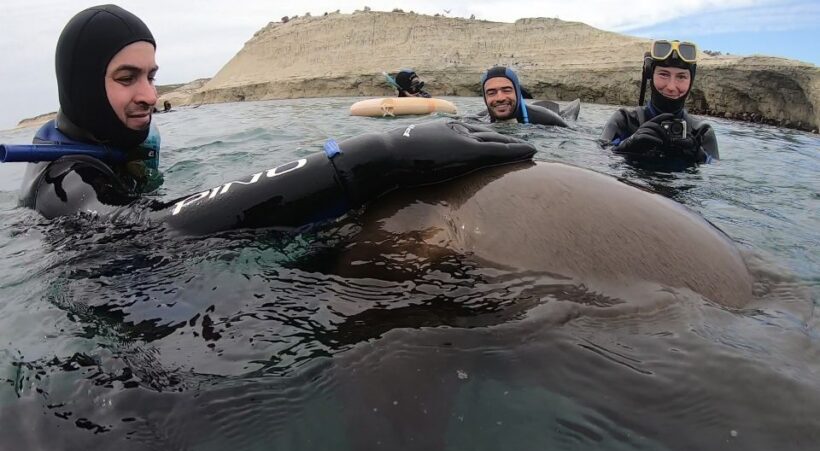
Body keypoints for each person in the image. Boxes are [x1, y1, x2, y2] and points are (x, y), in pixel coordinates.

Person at [16, 5, 536, 236]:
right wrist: (379, 156)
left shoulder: (104, 146)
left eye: (152, 75)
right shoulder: (65, 180)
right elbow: (145, 235)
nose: (150, 95)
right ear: (83, 85)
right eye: (126, 77)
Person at [599, 40, 718, 164]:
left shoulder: (702, 132)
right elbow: (598, 158)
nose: (671, 86)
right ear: (650, 74)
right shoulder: (624, 120)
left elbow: (717, 175)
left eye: (681, 77)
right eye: (663, 74)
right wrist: (626, 147)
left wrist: (699, 155)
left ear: (691, 80)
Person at [479, 66, 569, 127]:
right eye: (491, 93)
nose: (500, 98)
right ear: (485, 97)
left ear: (517, 92)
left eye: (506, 90)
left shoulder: (547, 120)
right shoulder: (477, 120)